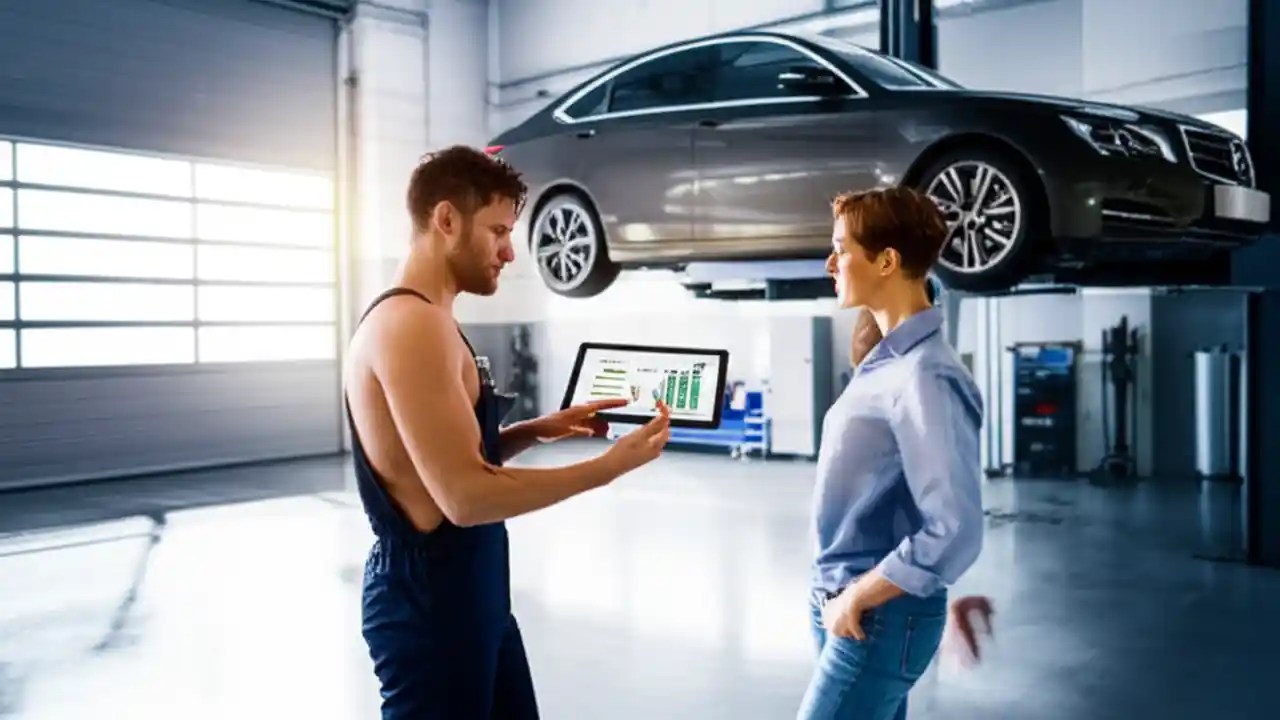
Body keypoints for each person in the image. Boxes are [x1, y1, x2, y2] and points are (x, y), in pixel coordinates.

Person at [342, 145, 671, 719]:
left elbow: (434, 458)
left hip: (473, 596)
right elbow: (465, 498)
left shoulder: (429, 319)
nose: (509, 252)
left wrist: (534, 431)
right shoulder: (410, 325)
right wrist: (610, 465)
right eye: (497, 230)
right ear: (446, 221)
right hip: (432, 605)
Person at [797, 186, 985, 720]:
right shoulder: (886, 363)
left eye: (841, 247)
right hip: (844, 603)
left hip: (874, 614)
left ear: (886, 260)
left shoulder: (926, 374)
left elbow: (955, 527)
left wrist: (860, 598)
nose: (830, 261)